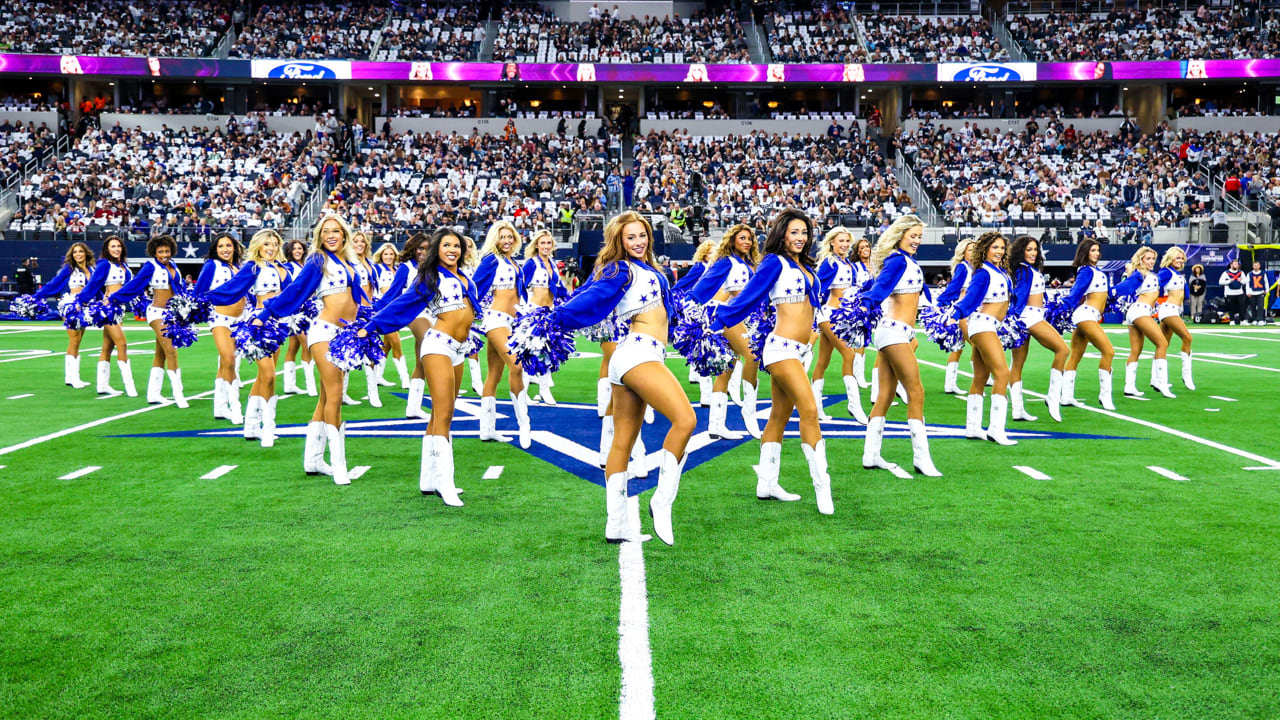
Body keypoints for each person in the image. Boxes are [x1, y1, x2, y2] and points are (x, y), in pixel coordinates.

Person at [543, 211, 696, 544]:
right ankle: (662, 501)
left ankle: (616, 525)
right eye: (631, 237)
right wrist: (555, 319)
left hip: (632, 356)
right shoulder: (621, 269)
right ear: (619, 241)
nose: (638, 241)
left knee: (622, 441)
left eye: (642, 235)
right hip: (638, 353)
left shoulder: (648, 269)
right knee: (686, 420)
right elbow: (592, 297)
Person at [713, 208, 837, 514]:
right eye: (794, 232)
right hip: (780, 350)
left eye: (804, 232)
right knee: (809, 410)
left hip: (801, 351)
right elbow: (748, 298)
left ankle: (767, 484)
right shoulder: (773, 263)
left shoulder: (805, 265)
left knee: (779, 416)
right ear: (781, 234)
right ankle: (823, 488)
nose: (800, 237)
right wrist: (716, 320)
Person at [359, 228, 480, 507]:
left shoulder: (466, 276)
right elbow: (403, 304)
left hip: (460, 349)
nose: (452, 250)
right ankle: (446, 483)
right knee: (445, 413)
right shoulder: (430, 276)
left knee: (441, 413)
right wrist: (371, 326)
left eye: (456, 246)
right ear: (437, 249)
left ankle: (428, 478)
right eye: (446, 245)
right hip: (438, 345)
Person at [257, 215, 366, 485]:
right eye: (325, 231)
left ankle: (314, 460)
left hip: (347, 335)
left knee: (326, 397)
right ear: (320, 236)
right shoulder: (318, 260)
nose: (331, 235)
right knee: (335, 396)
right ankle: (339, 466)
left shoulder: (349, 262)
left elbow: (357, 300)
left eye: (336, 231)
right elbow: (296, 290)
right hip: (325, 332)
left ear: (344, 235)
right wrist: (266, 313)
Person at [857, 215, 941, 476]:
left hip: (899, 332)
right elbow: (880, 288)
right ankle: (922, 458)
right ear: (900, 235)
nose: (916, 240)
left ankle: (871, 455)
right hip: (893, 332)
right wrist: (864, 305)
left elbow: (923, 296)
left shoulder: (909, 261)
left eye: (919, 237)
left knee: (885, 394)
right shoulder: (897, 261)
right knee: (916, 391)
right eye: (912, 235)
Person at [690, 224, 761, 440]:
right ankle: (749, 411)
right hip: (729, 315)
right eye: (742, 238)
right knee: (752, 356)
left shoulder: (745, 263)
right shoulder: (726, 261)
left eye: (749, 238)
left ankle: (716, 425)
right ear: (732, 240)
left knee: (726, 369)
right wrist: (688, 304)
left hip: (740, 315)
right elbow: (704, 287)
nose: (747, 242)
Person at [106, 235, 190, 408]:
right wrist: (114, 298)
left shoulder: (174, 265)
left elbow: (180, 288)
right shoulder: (150, 266)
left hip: (173, 314)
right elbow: (135, 284)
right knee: (171, 351)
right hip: (157, 313)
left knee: (161, 353)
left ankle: (153, 394)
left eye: (167, 251)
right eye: (160, 252)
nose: (164, 255)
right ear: (154, 252)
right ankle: (179, 394)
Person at [952, 232, 1018, 445]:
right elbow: (970, 298)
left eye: (1002, 248)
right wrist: (955, 314)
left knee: (980, 377)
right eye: (994, 247)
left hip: (989, 326)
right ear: (985, 249)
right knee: (1003, 373)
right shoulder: (982, 272)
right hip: (983, 325)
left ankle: (972, 427)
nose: (999, 251)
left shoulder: (1000, 271)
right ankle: (996, 429)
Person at [474, 221, 532, 447]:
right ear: (494, 239)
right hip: (496, 320)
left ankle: (486, 429)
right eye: (502, 237)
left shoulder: (514, 261)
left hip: (514, 323)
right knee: (516, 366)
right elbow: (474, 288)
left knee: (494, 375)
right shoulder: (491, 260)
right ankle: (524, 425)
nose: (506, 241)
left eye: (510, 236)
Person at [1006, 235, 1066, 422]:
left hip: (1029, 317)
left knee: (1017, 364)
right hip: (1029, 317)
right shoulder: (1024, 270)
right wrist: (1013, 317)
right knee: (1063, 350)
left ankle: (1017, 410)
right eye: (1029, 249)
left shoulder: (1027, 269)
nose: (1033, 253)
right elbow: (1018, 295)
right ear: (1021, 251)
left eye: (1035, 249)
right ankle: (1053, 397)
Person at [812, 226, 867, 424]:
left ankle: (816, 408)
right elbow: (817, 287)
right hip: (828, 315)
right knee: (849, 354)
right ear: (832, 243)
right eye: (840, 241)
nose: (844, 244)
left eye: (847, 241)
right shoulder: (830, 263)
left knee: (823, 361)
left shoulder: (849, 265)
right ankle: (854, 404)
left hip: (843, 317)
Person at [374, 233, 432, 419]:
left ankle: (413, 407)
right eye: (420, 248)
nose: (423, 252)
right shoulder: (406, 268)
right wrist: (373, 313)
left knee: (422, 361)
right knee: (428, 341)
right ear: (413, 249)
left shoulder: (435, 267)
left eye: (427, 248)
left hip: (436, 313)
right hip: (415, 314)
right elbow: (392, 294)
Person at [76, 236, 137, 398]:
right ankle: (130, 386)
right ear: (107, 249)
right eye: (113, 246)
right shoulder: (104, 264)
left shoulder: (124, 265)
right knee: (122, 344)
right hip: (108, 308)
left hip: (120, 308)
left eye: (118, 246)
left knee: (107, 347)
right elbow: (94, 284)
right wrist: (81, 300)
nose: (116, 249)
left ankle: (102, 385)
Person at [194, 233, 246, 423]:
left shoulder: (239, 267)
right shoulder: (211, 265)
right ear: (215, 249)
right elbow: (199, 291)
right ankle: (235, 407)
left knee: (225, 363)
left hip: (240, 319)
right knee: (229, 359)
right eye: (221, 246)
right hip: (220, 318)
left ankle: (220, 407)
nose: (225, 249)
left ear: (235, 248)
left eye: (228, 245)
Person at [1062, 239, 1117, 410]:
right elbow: (1076, 292)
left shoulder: (1096, 270)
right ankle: (1105, 396)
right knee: (1109, 351)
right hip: (1085, 315)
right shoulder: (1086, 270)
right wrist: (1063, 306)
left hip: (1089, 315)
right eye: (1093, 250)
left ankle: (1066, 396)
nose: (1096, 253)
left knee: (1075, 355)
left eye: (1098, 250)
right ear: (1085, 252)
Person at [1113, 246, 1175, 399]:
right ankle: (1161, 382)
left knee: (1136, 350)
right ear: (1141, 259)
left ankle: (1129, 386)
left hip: (1140, 312)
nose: (1151, 261)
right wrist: (1111, 291)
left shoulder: (1151, 275)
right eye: (1148, 258)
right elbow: (1126, 286)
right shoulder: (1139, 274)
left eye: (1153, 259)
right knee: (1162, 343)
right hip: (1139, 311)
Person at [34, 242, 94, 389]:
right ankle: (73, 378)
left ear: (86, 253)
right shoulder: (69, 268)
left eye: (80, 251)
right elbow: (54, 283)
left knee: (78, 340)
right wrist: (38, 295)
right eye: (75, 252)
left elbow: (96, 288)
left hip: (85, 306)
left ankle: (72, 377)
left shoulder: (92, 269)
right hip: (71, 305)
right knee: (74, 339)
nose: (78, 254)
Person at [521, 229, 568, 404]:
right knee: (529, 352)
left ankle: (544, 390)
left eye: (549, 243)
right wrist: (522, 311)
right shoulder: (531, 263)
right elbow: (520, 286)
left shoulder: (554, 264)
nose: (546, 246)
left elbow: (559, 289)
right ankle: (523, 392)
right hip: (533, 312)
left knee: (548, 352)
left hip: (550, 313)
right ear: (536, 245)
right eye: (542, 243)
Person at [674, 239, 717, 408]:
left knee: (700, 345)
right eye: (710, 252)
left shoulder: (718, 268)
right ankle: (706, 395)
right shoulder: (700, 267)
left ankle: (695, 375)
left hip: (713, 310)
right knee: (702, 346)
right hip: (698, 311)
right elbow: (683, 284)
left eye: (715, 252)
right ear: (704, 253)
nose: (713, 255)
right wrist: (678, 300)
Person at [935, 239, 976, 396]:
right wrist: (940, 302)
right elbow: (954, 287)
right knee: (977, 344)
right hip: (963, 311)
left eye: (975, 249)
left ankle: (949, 384)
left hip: (972, 310)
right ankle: (981, 380)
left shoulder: (975, 267)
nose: (973, 252)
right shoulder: (962, 267)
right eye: (970, 249)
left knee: (958, 347)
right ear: (963, 252)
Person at [280, 239, 316, 397]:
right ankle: (311, 385)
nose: (297, 251)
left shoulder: (305, 265)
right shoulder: (287, 267)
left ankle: (289, 385)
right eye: (294, 249)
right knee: (307, 344)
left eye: (300, 248)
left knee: (293, 346)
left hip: (308, 310)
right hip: (295, 311)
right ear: (289, 251)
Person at [372, 242, 411, 388]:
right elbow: (386, 292)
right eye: (386, 254)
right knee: (396, 344)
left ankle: (378, 377)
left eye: (391, 254)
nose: (388, 257)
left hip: (396, 310)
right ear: (381, 255)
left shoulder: (398, 269)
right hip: (385, 311)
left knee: (386, 345)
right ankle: (405, 380)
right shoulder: (379, 268)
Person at [1157, 247, 1196, 391]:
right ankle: (1187, 376)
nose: (1180, 261)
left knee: (1163, 345)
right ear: (1170, 258)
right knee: (1187, 338)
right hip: (1168, 310)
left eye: (1182, 258)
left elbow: (1185, 294)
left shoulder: (1178, 274)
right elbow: (1155, 286)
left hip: (1175, 311)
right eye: (1177, 258)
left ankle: (1156, 380)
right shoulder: (1166, 272)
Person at [1218, 259, 1245, 324]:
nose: (1236, 265)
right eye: (1235, 264)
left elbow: (1245, 281)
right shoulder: (1226, 273)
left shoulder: (1241, 273)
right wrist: (1229, 281)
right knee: (1231, 308)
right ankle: (1232, 321)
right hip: (1230, 293)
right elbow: (1220, 282)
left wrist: (1241, 280)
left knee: (1242, 307)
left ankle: (1242, 321)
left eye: (1237, 264)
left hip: (1240, 292)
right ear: (1231, 265)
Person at [1246, 261, 1269, 325]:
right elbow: (1247, 283)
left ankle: (1260, 319)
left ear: (1259, 266)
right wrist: (1248, 292)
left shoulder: (1263, 273)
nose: (1256, 266)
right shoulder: (1249, 274)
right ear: (1253, 266)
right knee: (1253, 306)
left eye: (1257, 265)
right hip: (1252, 292)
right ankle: (1254, 319)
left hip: (1260, 292)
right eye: (1255, 265)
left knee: (1260, 306)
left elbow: (1266, 282)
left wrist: (1267, 290)